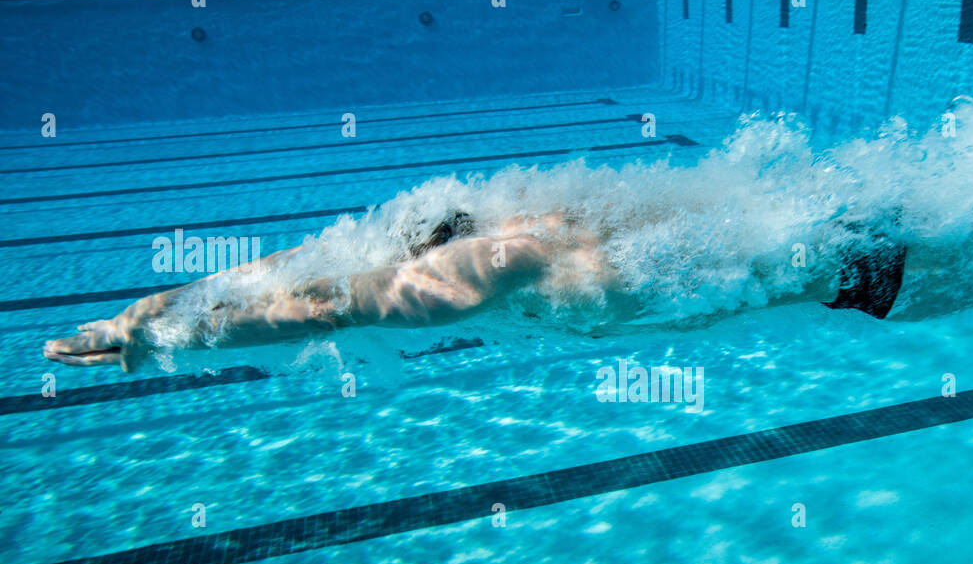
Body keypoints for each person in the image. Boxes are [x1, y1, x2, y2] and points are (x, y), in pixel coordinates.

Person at [41, 209, 907, 373]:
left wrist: (167, 336)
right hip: (830, 261)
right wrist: (160, 305)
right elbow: (305, 269)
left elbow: (328, 305)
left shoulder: (483, 269)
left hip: (859, 274)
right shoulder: (529, 221)